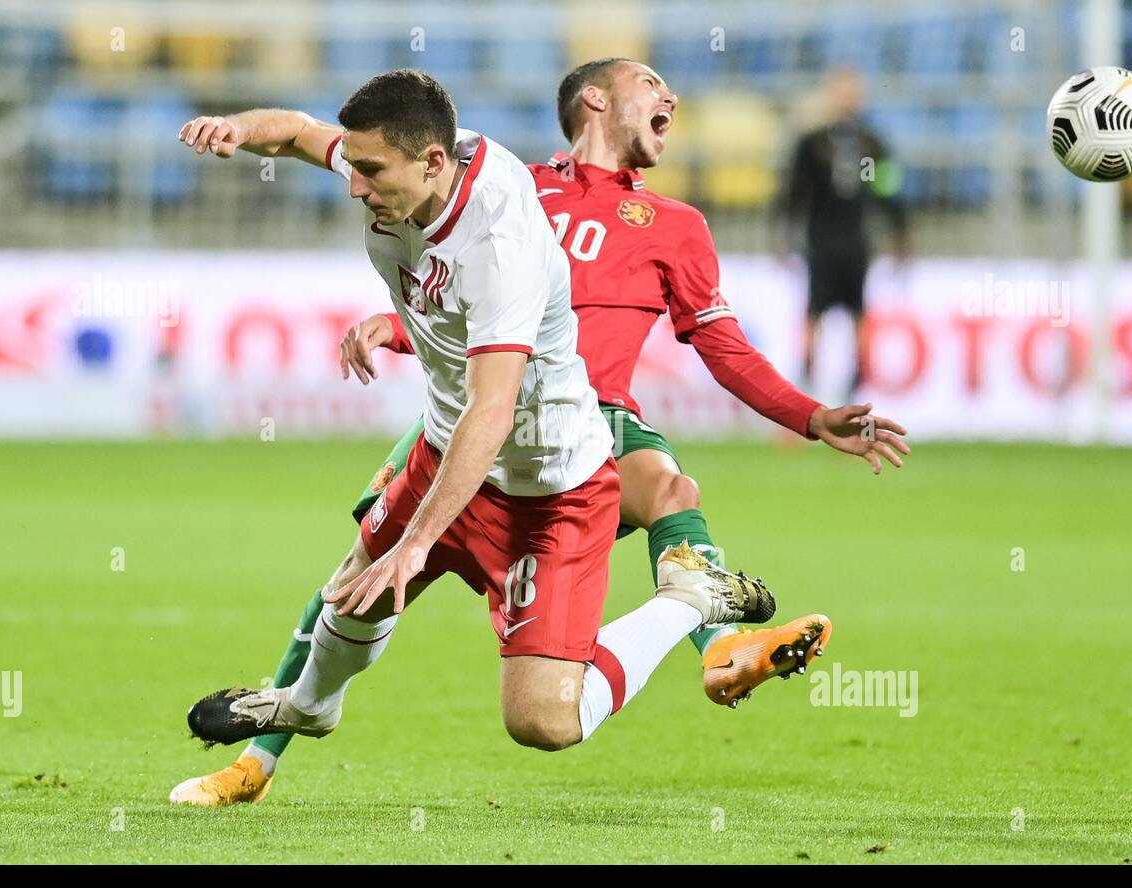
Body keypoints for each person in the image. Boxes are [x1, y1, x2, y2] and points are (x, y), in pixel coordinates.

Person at [172, 61, 909, 807]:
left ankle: (708, 624)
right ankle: (269, 749)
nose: (670, 97)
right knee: (355, 580)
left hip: (568, 431)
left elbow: (716, 346)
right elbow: (356, 187)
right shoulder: (473, 171)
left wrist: (807, 416)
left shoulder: (647, 227)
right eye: (650, 83)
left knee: (663, 499)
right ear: (595, 98)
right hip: (458, 423)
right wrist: (239, 132)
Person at [776, 67, 910, 397]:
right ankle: (806, 382)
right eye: (840, 90)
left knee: (859, 313)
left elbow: (888, 190)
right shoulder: (811, 143)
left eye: (851, 90)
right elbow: (793, 193)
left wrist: (900, 235)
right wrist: (783, 236)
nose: (846, 97)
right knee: (813, 312)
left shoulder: (874, 144)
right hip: (820, 240)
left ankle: (856, 383)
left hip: (856, 241)